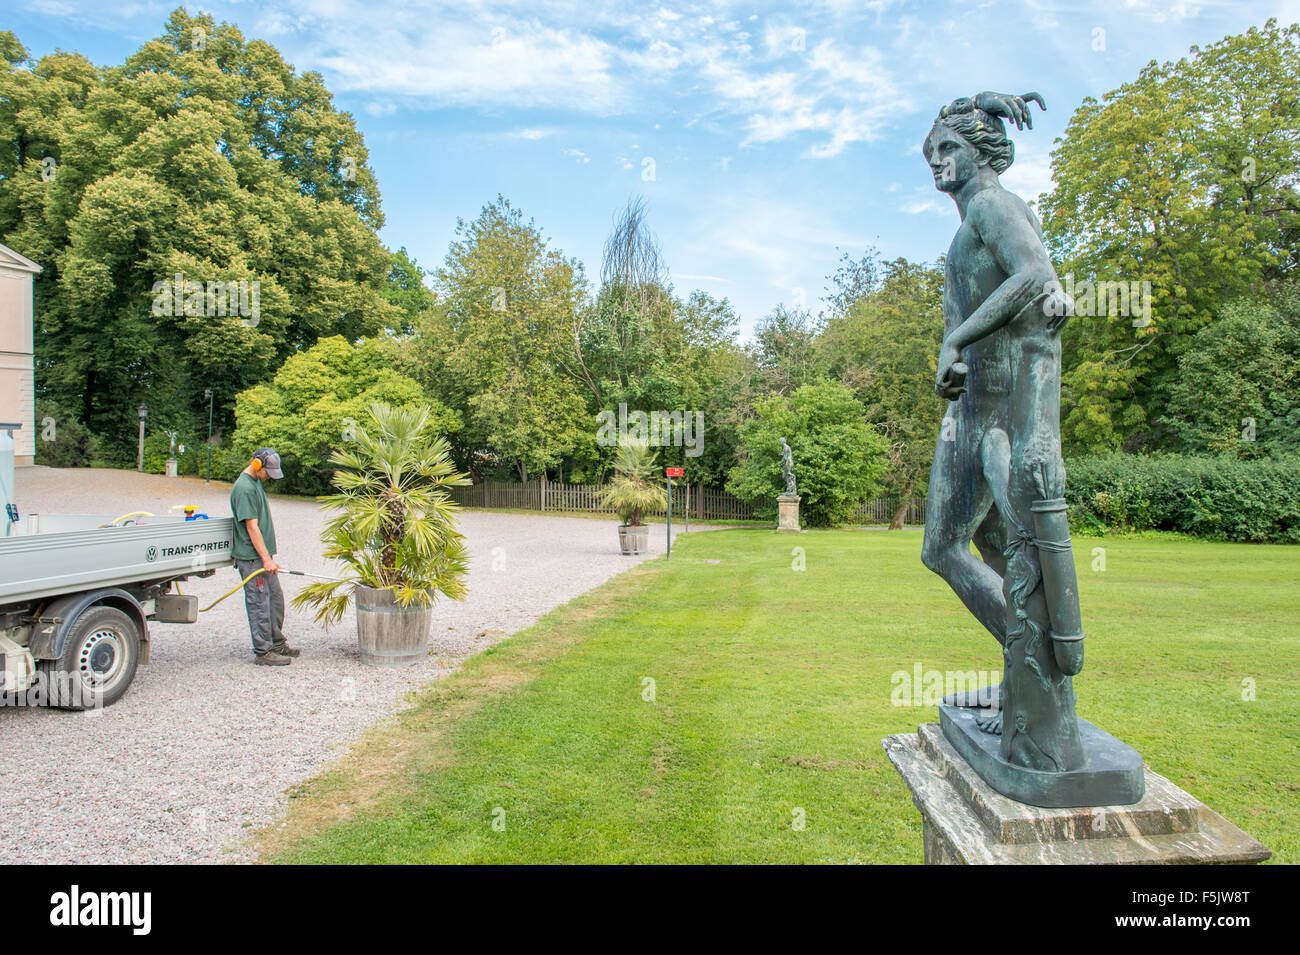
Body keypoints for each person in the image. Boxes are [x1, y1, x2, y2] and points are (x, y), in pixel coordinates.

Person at [919, 91, 1085, 772]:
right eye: (929, 151)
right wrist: (953, 360)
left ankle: (1037, 674)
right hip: (975, 404)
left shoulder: (991, 204)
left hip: (995, 408)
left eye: (947, 148)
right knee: (982, 542)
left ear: (980, 151)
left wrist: (956, 340)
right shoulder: (967, 226)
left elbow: (1037, 276)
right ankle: (1026, 675)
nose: (935, 160)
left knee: (944, 547)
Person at [230, 448, 298, 665]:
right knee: (259, 603)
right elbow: (251, 527)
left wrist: (268, 557)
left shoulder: (256, 483)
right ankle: (263, 652)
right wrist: (266, 559)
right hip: (251, 558)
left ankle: (277, 643)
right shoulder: (244, 488)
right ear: (257, 465)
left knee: (275, 599)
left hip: (262, 556)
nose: (269, 476)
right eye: (268, 472)